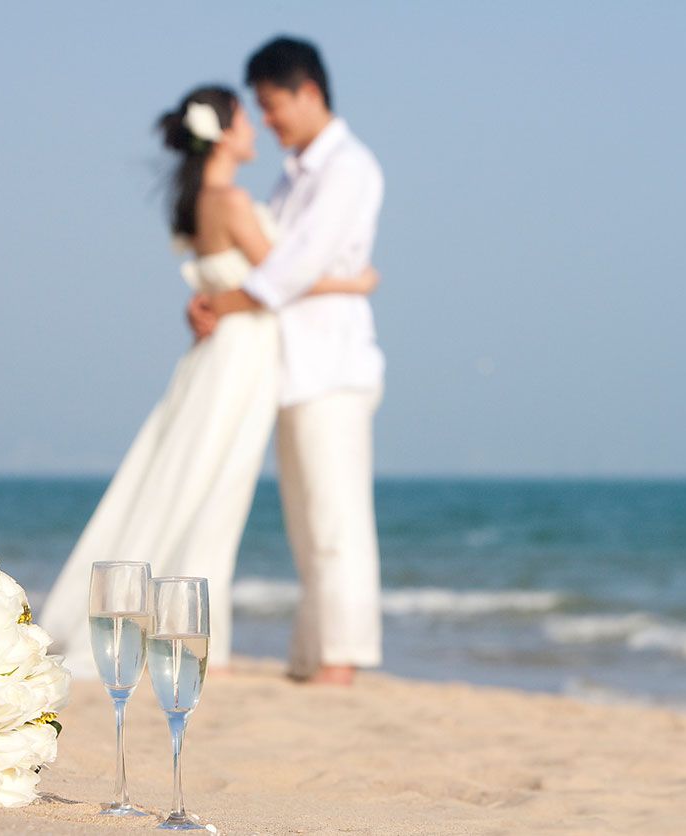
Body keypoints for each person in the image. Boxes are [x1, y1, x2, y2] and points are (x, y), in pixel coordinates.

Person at [41, 83, 377, 680]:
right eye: (247, 118)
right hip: (241, 358)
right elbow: (283, 276)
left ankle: (194, 636)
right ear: (222, 132)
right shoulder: (233, 199)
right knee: (214, 490)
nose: (256, 128)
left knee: (190, 480)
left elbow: (233, 280)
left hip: (230, 354)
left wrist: (211, 302)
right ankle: (200, 643)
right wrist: (355, 283)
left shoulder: (205, 199)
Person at [188, 37, 385, 686]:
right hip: (288, 365)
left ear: (308, 92)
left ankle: (340, 660)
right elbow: (265, 260)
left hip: (331, 364)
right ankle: (313, 656)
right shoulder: (291, 175)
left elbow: (291, 269)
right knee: (307, 521)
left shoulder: (347, 168)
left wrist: (225, 300)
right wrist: (220, 299)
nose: (267, 121)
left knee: (337, 519)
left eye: (272, 106)